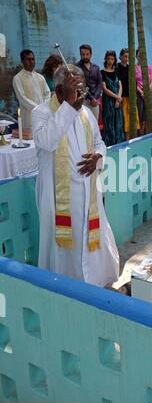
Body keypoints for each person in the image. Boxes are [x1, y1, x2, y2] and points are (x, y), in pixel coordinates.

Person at [31, 64, 119, 287]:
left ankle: (96, 283)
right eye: (76, 90)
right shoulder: (41, 113)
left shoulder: (86, 113)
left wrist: (98, 157)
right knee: (63, 249)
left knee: (92, 241)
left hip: (88, 193)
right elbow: (47, 141)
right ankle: (64, 287)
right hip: (58, 198)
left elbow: (100, 142)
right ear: (60, 91)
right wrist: (69, 107)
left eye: (83, 89)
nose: (82, 95)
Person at [13, 49, 51, 130]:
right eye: (28, 59)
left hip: (43, 115)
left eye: (33, 59)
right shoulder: (18, 78)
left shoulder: (40, 77)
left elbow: (47, 93)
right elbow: (22, 99)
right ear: (22, 61)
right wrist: (38, 108)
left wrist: (44, 106)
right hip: (28, 118)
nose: (32, 62)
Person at [101, 50, 124, 146]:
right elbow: (104, 89)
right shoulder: (102, 72)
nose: (110, 61)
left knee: (118, 123)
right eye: (108, 59)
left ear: (114, 60)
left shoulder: (116, 71)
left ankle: (118, 144)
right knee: (109, 123)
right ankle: (108, 145)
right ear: (105, 59)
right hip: (108, 102)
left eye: (112, 59)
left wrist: (118, 98)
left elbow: (120, 86)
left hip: (118, 102)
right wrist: (117, 97)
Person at [116, 48, 140, 140]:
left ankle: (133, 140)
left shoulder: (131, 68)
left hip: (131, 97)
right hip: (122, 97)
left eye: (128, 57)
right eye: (124, 56)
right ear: (120, 57)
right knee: (125, 121)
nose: (126, 58)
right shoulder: (117, 68)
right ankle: (126, 140)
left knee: (134, 120)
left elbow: (134, 82)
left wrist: (135, 96)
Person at [76, 44, 103, 120]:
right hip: (83, 101)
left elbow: (100, 83)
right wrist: (90, 98)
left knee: (94, 123)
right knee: (84, 123)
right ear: (80, 54)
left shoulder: (96, 67)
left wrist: (95, 97)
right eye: (83, 54)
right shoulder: (76, 67)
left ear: (91, 54)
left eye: (87, 54)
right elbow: (80, 85)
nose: (85, 56)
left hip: (95, 101)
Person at [135, 48, 152, 135]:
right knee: (140, 116)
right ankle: (141, 134)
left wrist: (147, 92)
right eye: (139, 55)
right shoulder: (135, 68)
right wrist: (141, 92)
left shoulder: (148, 67)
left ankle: (148, 133)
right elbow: (134, 83)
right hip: (139, 94)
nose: (140, 57)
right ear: (136, 56)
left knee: (147, 115)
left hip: (148, 93)